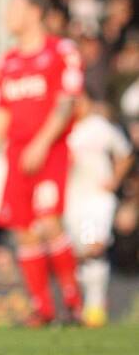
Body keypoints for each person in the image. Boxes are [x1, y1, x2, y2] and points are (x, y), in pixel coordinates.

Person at [0, 0, 84, 325]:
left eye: (14, 9)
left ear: (35, 12)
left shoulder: (60, 51)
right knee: (24, 230)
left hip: (50, 151)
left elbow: (67, 102)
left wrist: (41, 143)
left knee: (50, 222)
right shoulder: (8, 62)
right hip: (16, 154)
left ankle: (73, 304)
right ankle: (42, 308)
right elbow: (1, 113)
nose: (7, 15)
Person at [64, 97, 133, 326]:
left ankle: (94, 307)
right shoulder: (64, 127)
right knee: (80, 252)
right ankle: (82, 306)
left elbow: (125, 153)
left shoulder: (99, 127)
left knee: (93, 245)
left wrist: (114, 180)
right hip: (72, 199)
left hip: (96, 198)